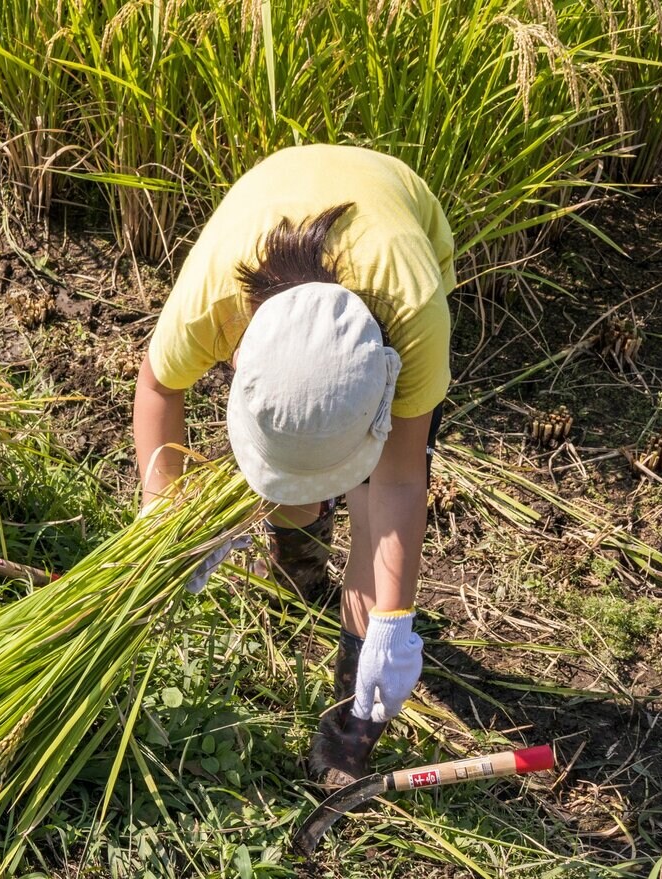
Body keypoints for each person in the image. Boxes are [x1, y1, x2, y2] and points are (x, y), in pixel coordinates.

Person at [133, 144, 455, 788]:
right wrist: (164, 514)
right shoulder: (213, 300)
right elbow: (157, 387)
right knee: (295, 459)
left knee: (370, 507)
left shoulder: (415, 317)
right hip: (269, 197)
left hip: (396, 219)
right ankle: (297, 570)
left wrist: (390, 627)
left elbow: (397, 481)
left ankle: (349, 725)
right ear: (239, 357)